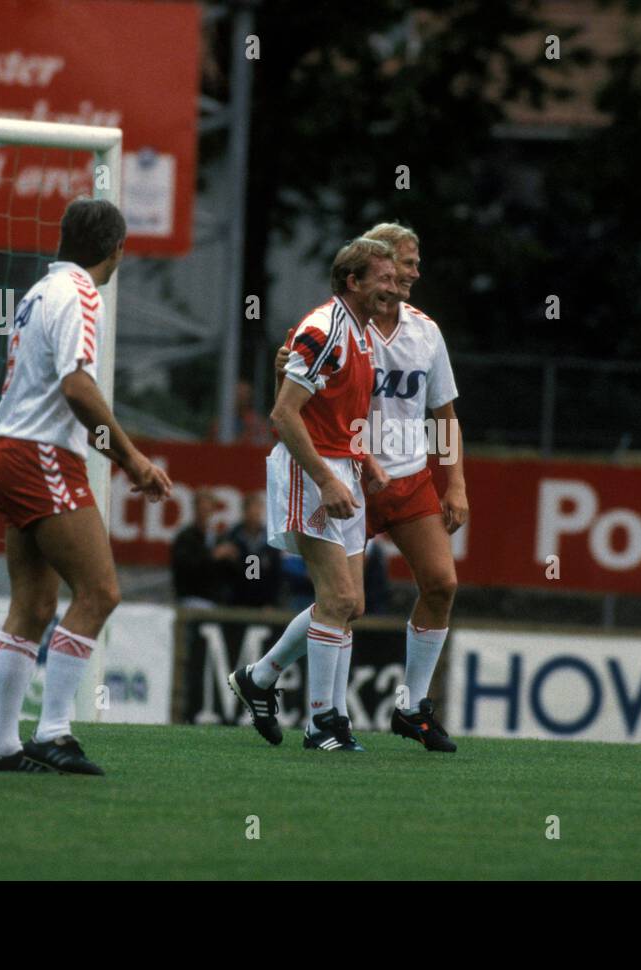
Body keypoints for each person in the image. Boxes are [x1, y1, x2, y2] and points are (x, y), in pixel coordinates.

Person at [0, 198, 172, 774]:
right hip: (40, 454)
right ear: (118, 249)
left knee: (34, 603)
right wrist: (132, 460)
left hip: (6, 451)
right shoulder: (84, 294)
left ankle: (2, 746)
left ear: (63, 239)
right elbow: (77, 388)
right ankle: (55, 732)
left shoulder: (39, 292)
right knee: (101, 592)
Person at [267, 223, 466, 752]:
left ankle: (408, 706)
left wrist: (456, 482)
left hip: (397, 475)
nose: (411, 273)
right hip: (339, 473)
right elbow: (290, 396)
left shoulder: (420, 331)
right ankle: (310, 710)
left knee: (438, 584)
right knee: (341, 600)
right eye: (403, 263)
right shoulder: (337, 323)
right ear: (369, 273)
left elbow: (444, 413)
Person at [227, 238, 392, 752]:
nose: (392, 285)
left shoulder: (362, 334)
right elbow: (283, 413)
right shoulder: (326, 328)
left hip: (341, 468)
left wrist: (363, 460)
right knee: (337, 599)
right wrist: (325, 477)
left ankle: (261, 677)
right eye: (383, 277)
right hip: (311, 471)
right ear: (353, 282)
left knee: (352, 602)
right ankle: (323, 722)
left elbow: (335, 410)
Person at [213, 490, 283, 608]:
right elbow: (223, 572)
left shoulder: (270, 540)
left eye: (258, 510)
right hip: (235, 600)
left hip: (264, 600)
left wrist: (272, 602)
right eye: (252, 510)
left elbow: (276, 573)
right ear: (245, 512)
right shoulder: (231, 537)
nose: (255, 515)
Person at [170, 489, 229, 607]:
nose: (204, 514)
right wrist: (212, 556)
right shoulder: (185, 537)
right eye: (201, 509)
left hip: (214, 600)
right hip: (190, 598)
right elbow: (184, 568)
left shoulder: (218, 538)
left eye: (208, 510)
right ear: (195, 510)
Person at [210, 379, 277, 447]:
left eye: (244, 395)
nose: (241, 398)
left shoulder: (256, 422)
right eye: (238, 394)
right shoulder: (221, 421)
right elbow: (213, 442)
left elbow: (264, 443)